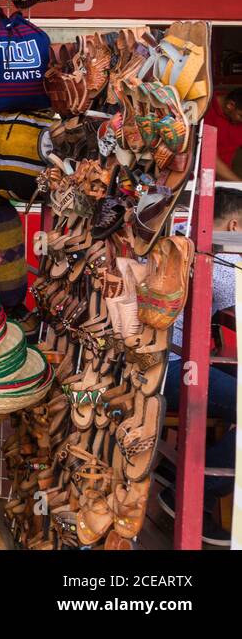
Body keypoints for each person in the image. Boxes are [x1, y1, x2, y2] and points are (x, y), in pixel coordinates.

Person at [158, 186, 241, 546]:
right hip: (172, 369)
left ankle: (179, 471)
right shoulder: (218, 264)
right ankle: (191, 493)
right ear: (235, 226)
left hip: (163, 363)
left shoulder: (187, 243)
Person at [203, 88, 242, 181]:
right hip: (203, 180)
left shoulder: (236, 115)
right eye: (241, 116)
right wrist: (239, 184)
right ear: (230, 105)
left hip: (225, 180)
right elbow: (210, 159)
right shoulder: (206, 110)